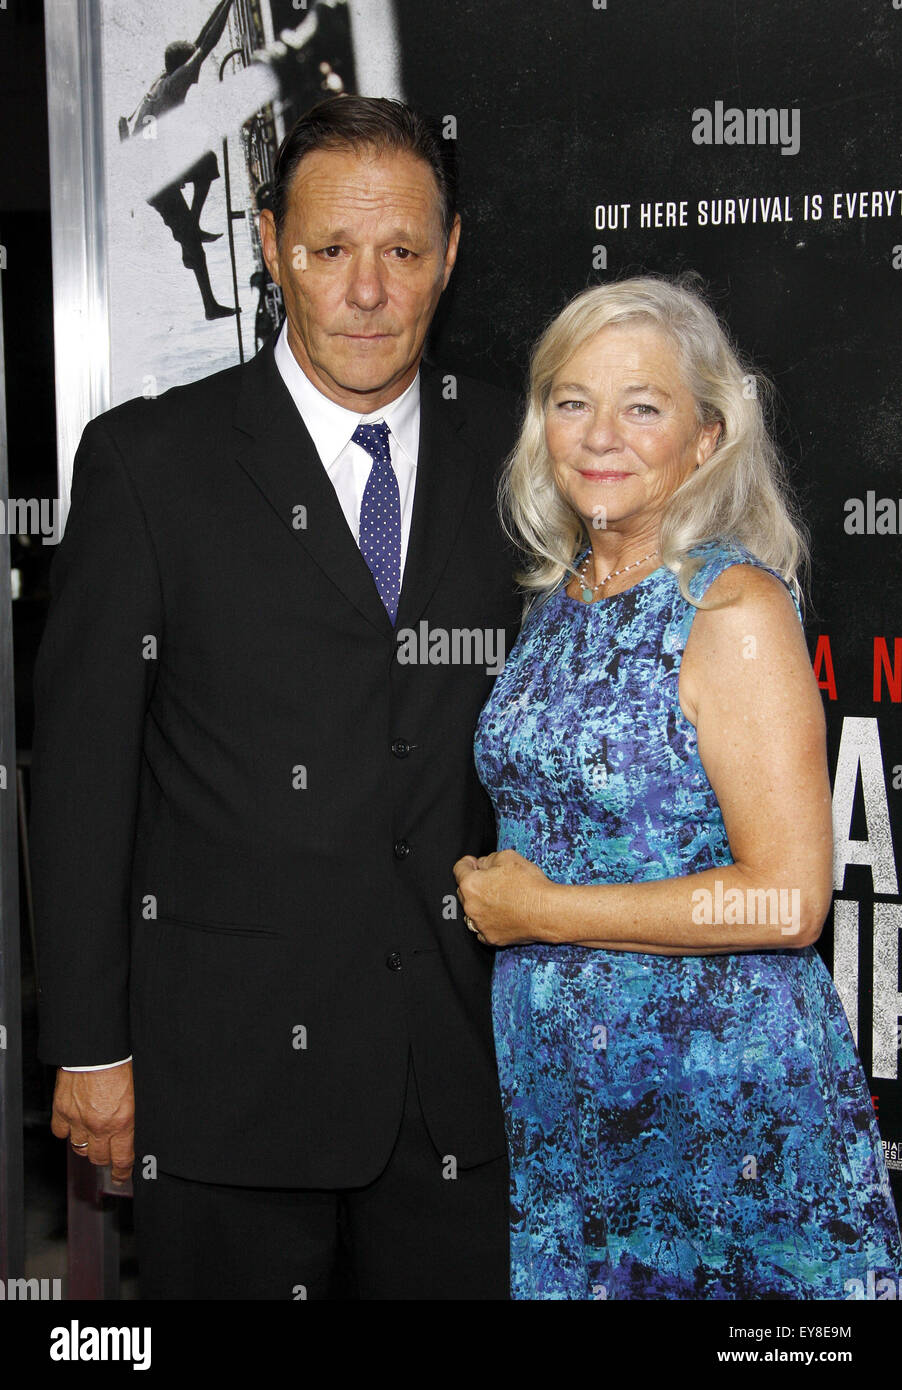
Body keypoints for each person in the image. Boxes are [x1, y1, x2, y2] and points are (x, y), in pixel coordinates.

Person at [30, 96, 522, 1300]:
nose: (366, 290)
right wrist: (90, 1045)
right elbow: (86, 781)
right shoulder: (149, 464)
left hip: (463, 1074)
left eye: (402, 252)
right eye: (328, 250)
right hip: (227, 1076)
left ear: (450, 255)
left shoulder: (522, 456)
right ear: (266, 247)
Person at [455, 275, 902, 1300]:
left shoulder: (729, 606)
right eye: (571, 400)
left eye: (641, 405)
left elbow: (786, 897)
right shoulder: (557, 600)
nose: (599, 433)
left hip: (714, 1103)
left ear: (705, 437)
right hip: (568, 1110)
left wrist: (545, 911)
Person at [123, 0, 236, 320]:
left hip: (157, 165)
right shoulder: (174, 85)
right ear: (183, 69)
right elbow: (209, 44)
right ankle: (210, 306)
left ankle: (194, 226)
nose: (196, 72)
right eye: (192, 67)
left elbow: (199, 41)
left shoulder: (164, 77)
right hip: (152, 179)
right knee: (191, 246)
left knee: (206, 162)